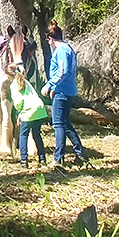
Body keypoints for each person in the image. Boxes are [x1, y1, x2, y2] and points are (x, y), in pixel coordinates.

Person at [41, 19, 87, 167]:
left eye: (48, 41)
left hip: (63, 92)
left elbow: (63, 71)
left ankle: (58, 158)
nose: (49, 44)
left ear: (51, 39)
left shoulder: (61, 51)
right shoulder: (69, 49)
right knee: (65, 123)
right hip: (66, 90)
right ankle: (80, 153)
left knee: (58, 124)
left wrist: (50, 85)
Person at [7, 63, 47, 168]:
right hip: (39, 109)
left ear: (8, 76)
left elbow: (18, 102)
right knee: (36, 134)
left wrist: (19, 113)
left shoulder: (14, 85)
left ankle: (24, 161)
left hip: (28, 111)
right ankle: (42, 159)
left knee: (23, 135)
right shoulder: (25, 81)